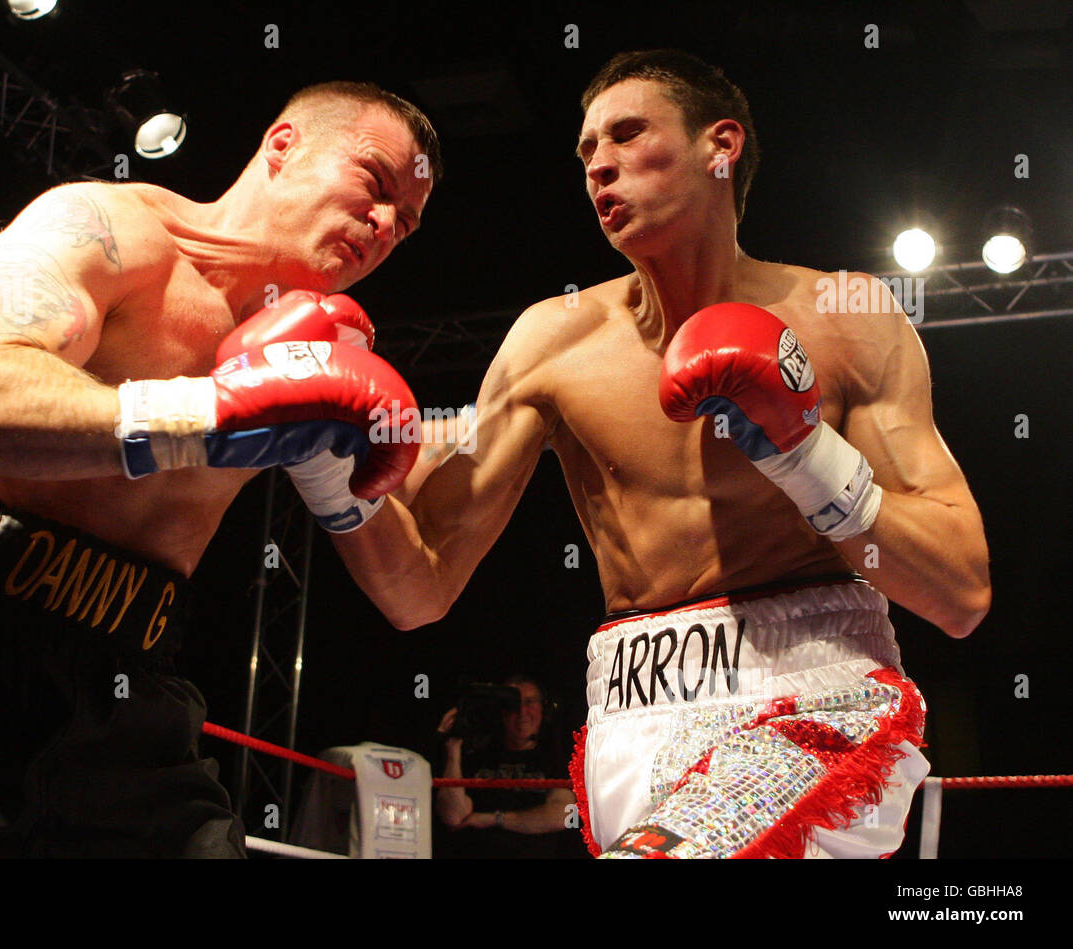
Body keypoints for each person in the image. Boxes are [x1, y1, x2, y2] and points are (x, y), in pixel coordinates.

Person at [323, 51, 991, 858]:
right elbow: (418, 588)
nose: (599, 163)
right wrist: (329, 464)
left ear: (722, 145)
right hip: (630, 718)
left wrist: (803, 452)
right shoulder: (552, 341)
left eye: (627, 133)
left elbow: (960, 589)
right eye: (586, 152)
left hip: (818, 701)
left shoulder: (847, 317)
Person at [0, 81, 439, 857]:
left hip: (128, 679)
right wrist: (214, 414)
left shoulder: (306, 359)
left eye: (409, 220)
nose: (388, 224)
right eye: (375, 182)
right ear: (283, 147)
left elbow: (412, 597)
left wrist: (335, 480)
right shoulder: (107, 227)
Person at [434, 676, 578, 859]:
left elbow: (564, 815)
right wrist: (453, 748)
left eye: (530, 702)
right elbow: (453, 816)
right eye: (512, 703)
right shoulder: (477, 755)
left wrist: (492, 819)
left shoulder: (554, 757)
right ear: (501, 711)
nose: (522, 711)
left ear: (544, 709)